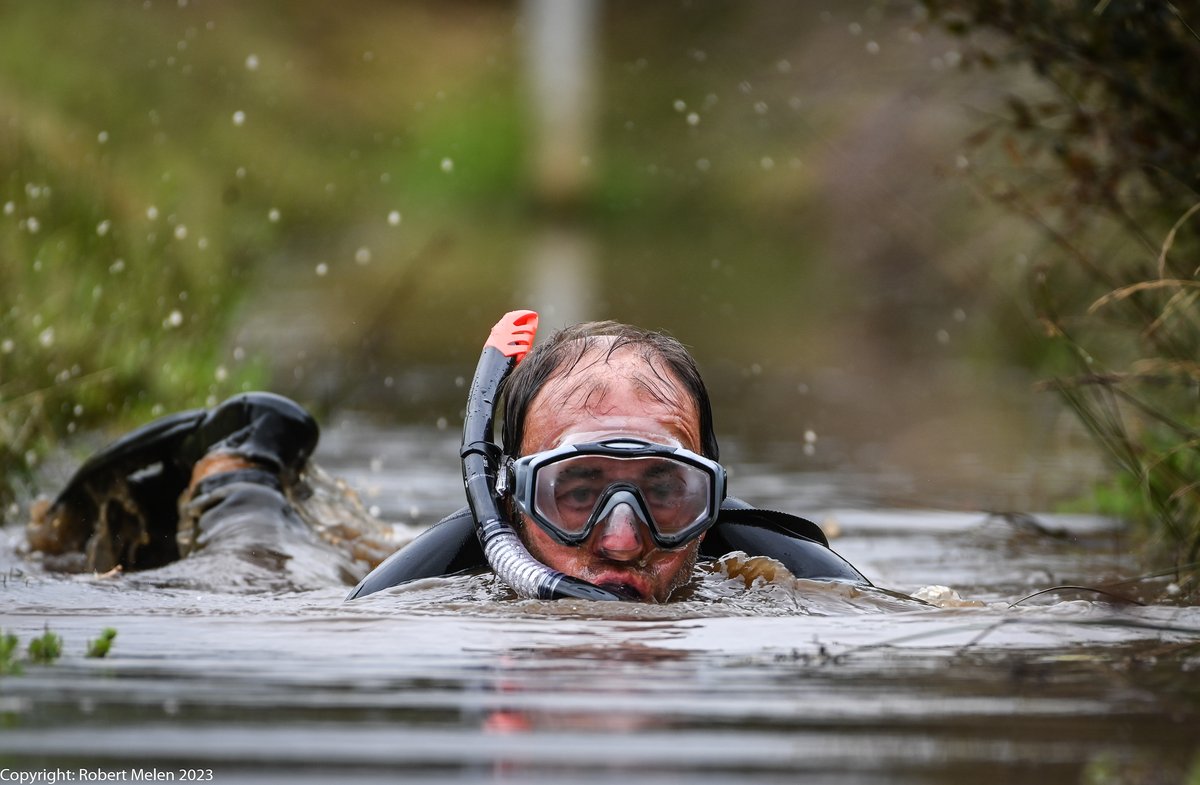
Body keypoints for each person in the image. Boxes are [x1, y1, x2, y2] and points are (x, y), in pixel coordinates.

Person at [27, 319, 868, 602]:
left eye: (665, 494)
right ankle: (243, 464)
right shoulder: (426, 584)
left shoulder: (771, 572)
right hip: (280, 549)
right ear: (506, 495)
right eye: (576, 493)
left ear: (712, 500)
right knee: (258, 565)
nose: (621, 541)